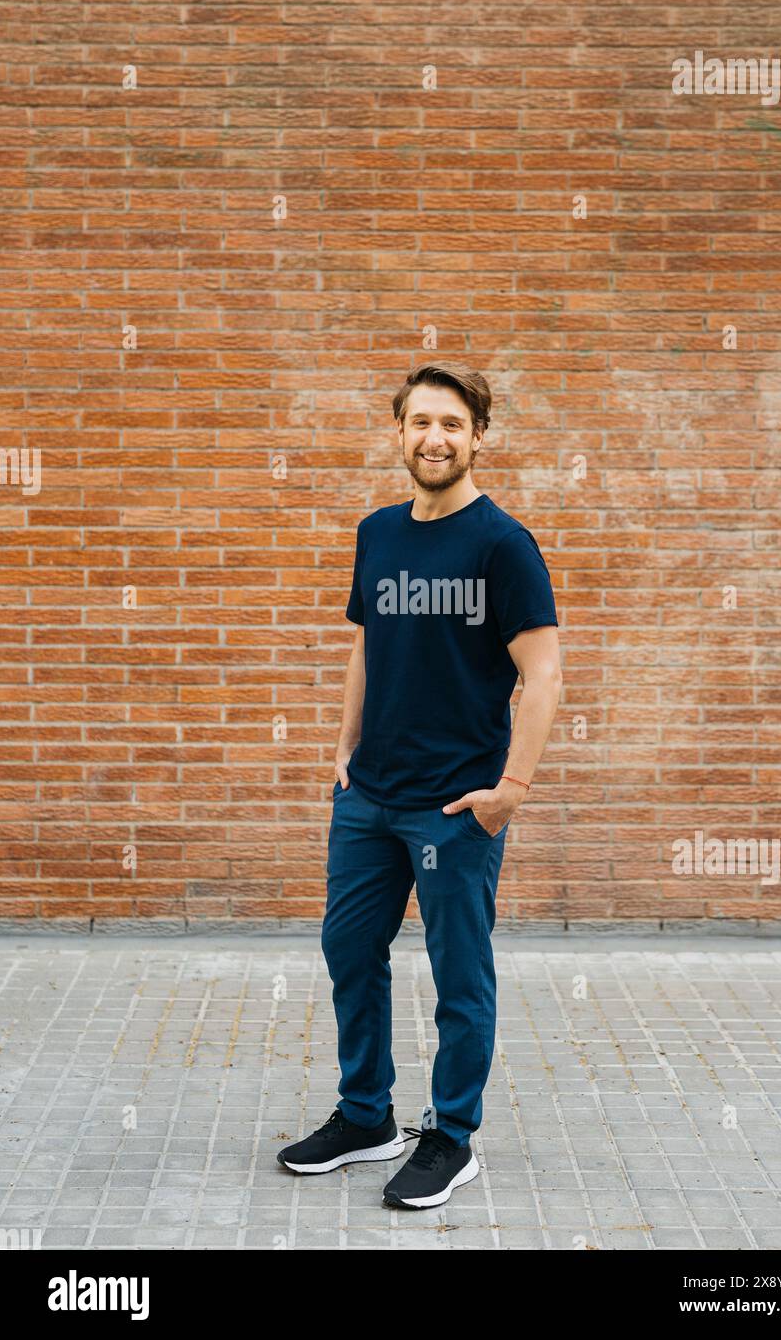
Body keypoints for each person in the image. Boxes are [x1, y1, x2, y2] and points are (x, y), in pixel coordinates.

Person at [278, 360, 562, 1208]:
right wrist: (343, 747)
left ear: (479, 436)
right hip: (368, 797)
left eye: (451, 424)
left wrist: (511, 787)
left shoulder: (502, 545)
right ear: (398, 431)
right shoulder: (377, 532)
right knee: (348, 951)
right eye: (419, 422)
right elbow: (366, 643)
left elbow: (544, 677)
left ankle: (452, 1136)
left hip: (454, 806)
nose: (434, 437)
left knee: (457, 973)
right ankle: (366, 1116)